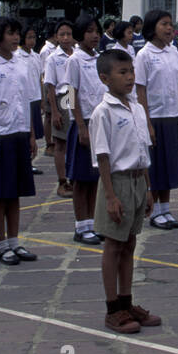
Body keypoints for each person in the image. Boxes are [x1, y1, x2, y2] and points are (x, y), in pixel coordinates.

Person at [90, 47, 159, 333]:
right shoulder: (102, 112)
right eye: (123, 72)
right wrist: (110, 196)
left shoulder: (137, 108)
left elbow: (142, 149)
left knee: (130, 243)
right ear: (105, 78)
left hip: (137, 181)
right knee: (113, 245)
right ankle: (112, 308)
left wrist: (148, 187)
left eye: (131, 71)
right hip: (116, 182)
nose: (130, 77)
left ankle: (127, 300)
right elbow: (103, 156)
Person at [0, 16, 38, 265]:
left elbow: (27, 101)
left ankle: (14, 241)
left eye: (17, 33)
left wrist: (32, 135)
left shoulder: (23, 63)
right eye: (10, 33)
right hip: (0, 135)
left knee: (15, 193)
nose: (15, 38)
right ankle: (1, 245)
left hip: (20, 133)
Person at [133, 9, 178, 231]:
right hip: (154, 116)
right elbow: (140, 91)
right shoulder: (143, 55)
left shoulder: (175, 52)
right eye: (163, 24)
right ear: (152, 27)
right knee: (154, 166)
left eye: (170, 24)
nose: (168, 28)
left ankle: (165, 208)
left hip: (172, 115)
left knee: (170, 165)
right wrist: (67, 111)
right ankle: (154, 209)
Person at [66, 14, 107, 244]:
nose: (95, 35)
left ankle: (92, 223)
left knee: (95, 177)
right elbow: (71, 94)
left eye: (97, 31)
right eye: (90, 31)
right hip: (84, 123)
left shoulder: (99, 58)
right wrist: (80, 125)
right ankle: (81, 226)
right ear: (80, 34)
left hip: (100, 122)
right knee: (81, 179)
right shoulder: (75, 60)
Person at [43, 20, 75, 199]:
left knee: (75, 138)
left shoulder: (76, 54)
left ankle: (74, 177)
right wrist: (54, 111)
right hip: (62, 97)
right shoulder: (53, 58)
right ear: (56, 37)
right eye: (62, 34)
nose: (65, 38)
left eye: (68, 34)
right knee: (61, 141)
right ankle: (62, 181)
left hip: (73, 95)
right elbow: (50, 86)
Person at [18, 25, 44, 176]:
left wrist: (41, 98)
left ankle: (29, 162)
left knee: (35, 134)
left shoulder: (36, 55)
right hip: (25, 99)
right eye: (29, 37)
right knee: (27, 132)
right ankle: (24, 162)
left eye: (34, 37)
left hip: (35, 97)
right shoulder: (18, 56)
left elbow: (39, 78)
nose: (32, 41)